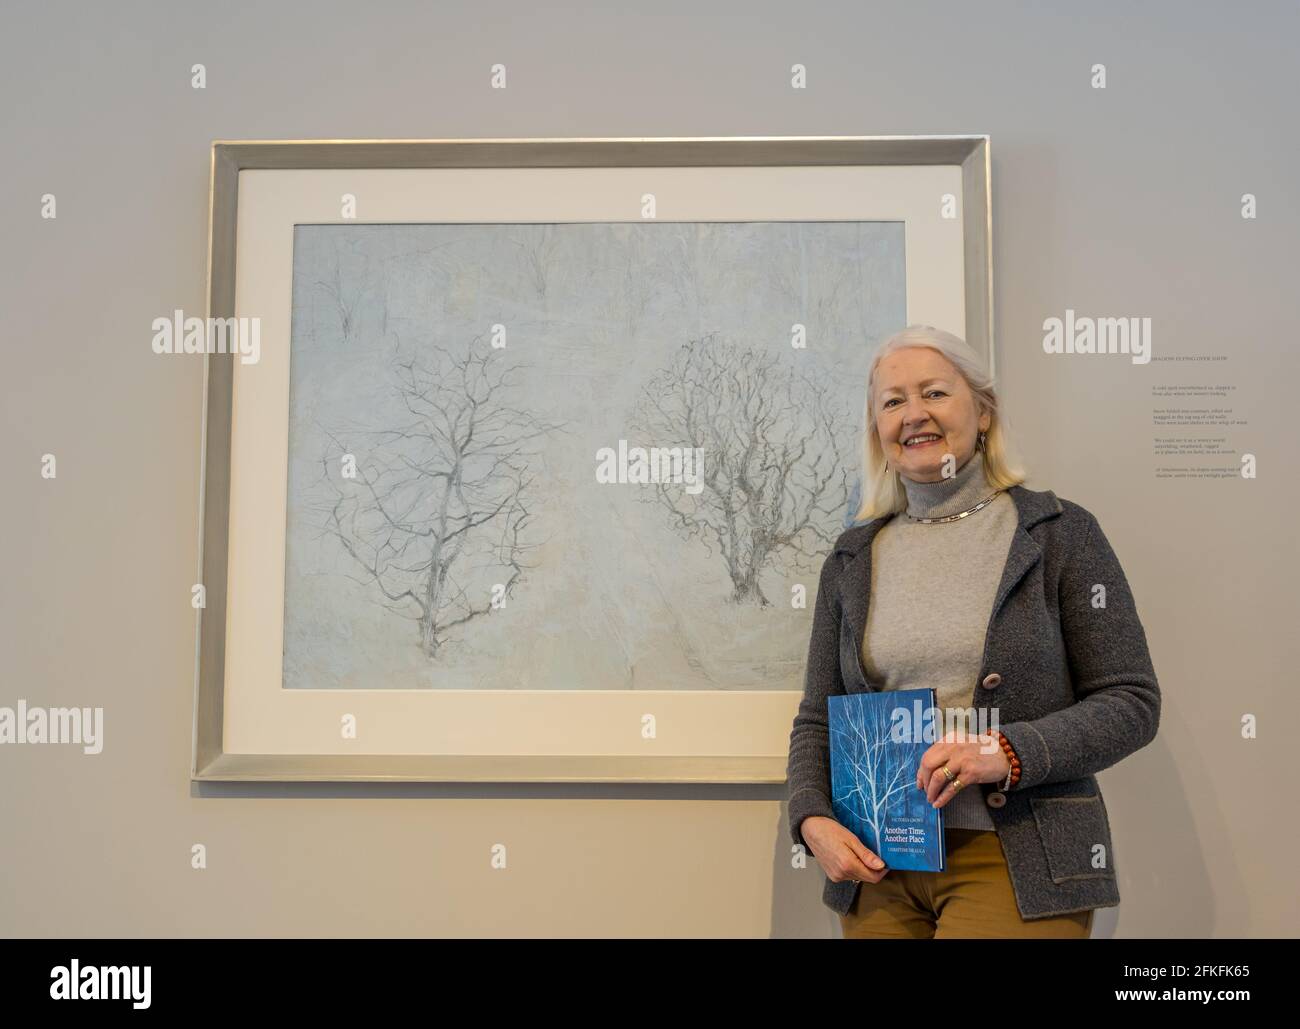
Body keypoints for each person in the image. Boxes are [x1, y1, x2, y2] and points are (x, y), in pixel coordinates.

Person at [785, 324, 1161, 938]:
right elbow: (817, 718)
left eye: (934, 393)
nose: (914, 415)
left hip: (1018, 856)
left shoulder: (1059, 534)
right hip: (879, 862)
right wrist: (811, 820)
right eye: (892, 401)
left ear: (983, 411)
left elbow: (1131, 702)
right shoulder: (851, 557)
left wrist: (1006, 751)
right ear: (877, 432)